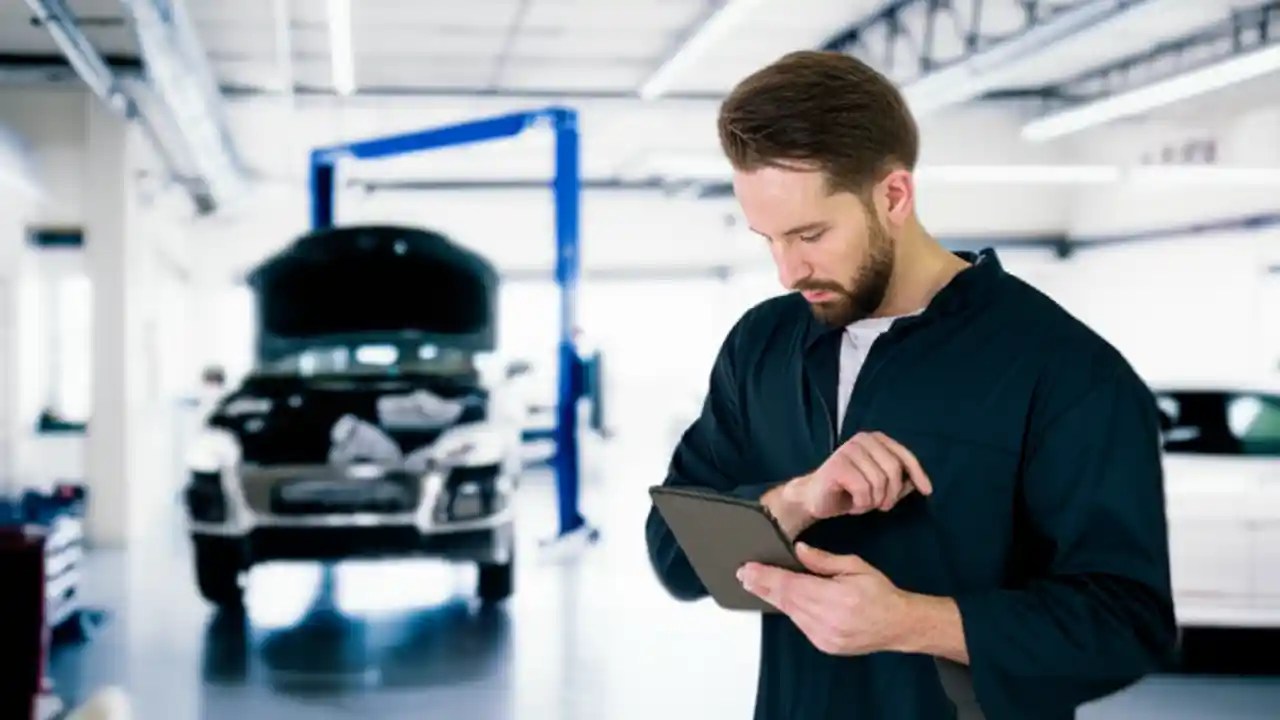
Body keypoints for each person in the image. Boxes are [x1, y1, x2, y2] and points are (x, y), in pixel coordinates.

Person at [644, 50, 1177, 720]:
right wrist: (797, 498)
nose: (787, 271)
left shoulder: (1064, 367)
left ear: (894, 196)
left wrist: (913, 622)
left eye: (810, 234)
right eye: (769, 239)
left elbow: (1127, 624)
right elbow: (674, 553)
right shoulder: (762, 343)